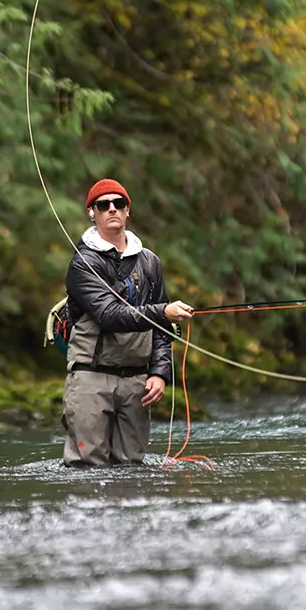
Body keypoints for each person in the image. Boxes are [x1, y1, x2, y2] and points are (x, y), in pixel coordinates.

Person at [61, 178, 195, 467]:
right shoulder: (83, 263)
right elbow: (109, 315)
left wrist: (159, 373)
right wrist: (163, 312)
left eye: (118, 203)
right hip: (90, 379)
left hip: (137, 382)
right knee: (87, 468)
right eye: (103, 205)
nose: (112, 209)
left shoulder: (149, 262)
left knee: (132, 469)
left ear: (127, 210)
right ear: (91, 212)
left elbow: (164, 330)